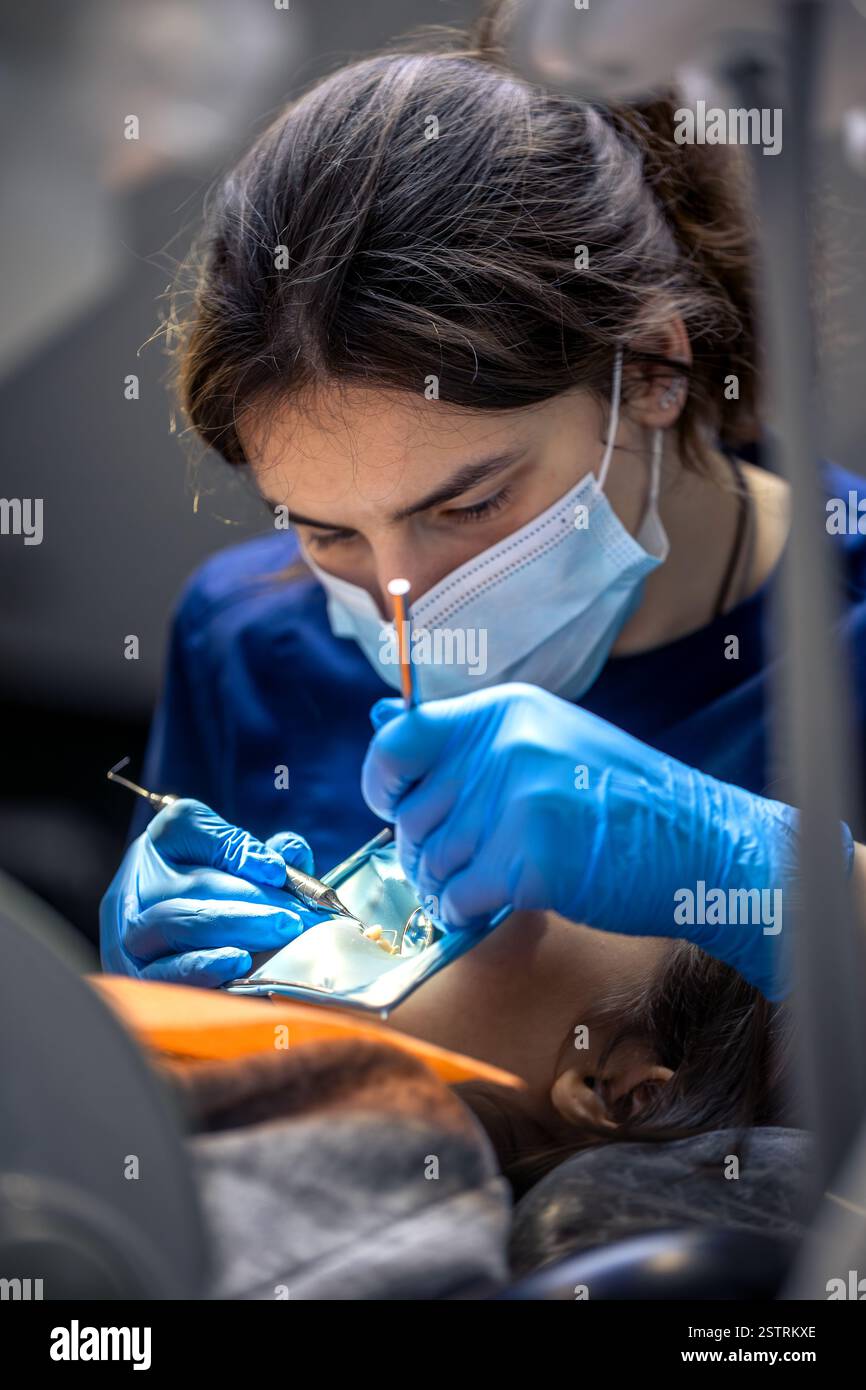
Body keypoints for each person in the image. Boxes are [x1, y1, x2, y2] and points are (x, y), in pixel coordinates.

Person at [101, 10, 866, 1140]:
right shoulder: (246, 636)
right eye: (327, 533)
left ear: (649, 373)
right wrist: (155, 1024)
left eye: (467, 506)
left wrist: (775, 879)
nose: (403, 614)